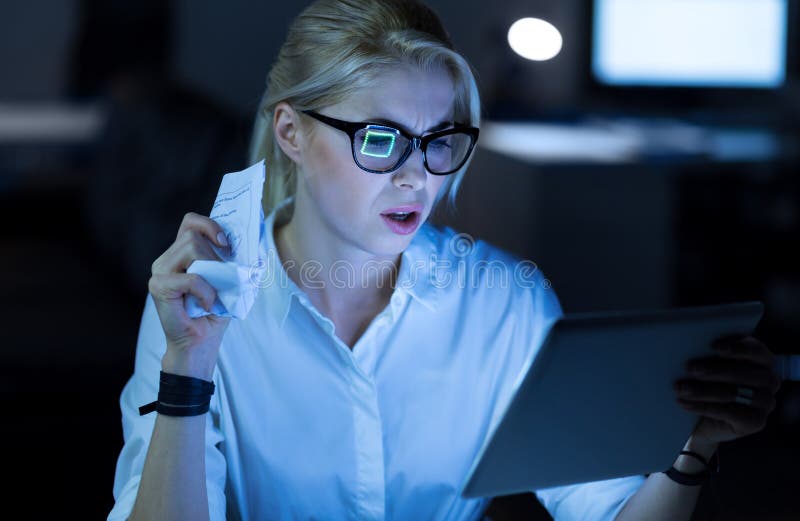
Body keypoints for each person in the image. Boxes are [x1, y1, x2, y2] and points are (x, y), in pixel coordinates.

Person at [108, 1, 782, 520]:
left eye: (440, 141)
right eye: (381, 139)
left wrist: (693, 447)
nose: (417, 177)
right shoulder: (200, 307)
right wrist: (188, 369)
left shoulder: (502, 303)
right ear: (291, 132)